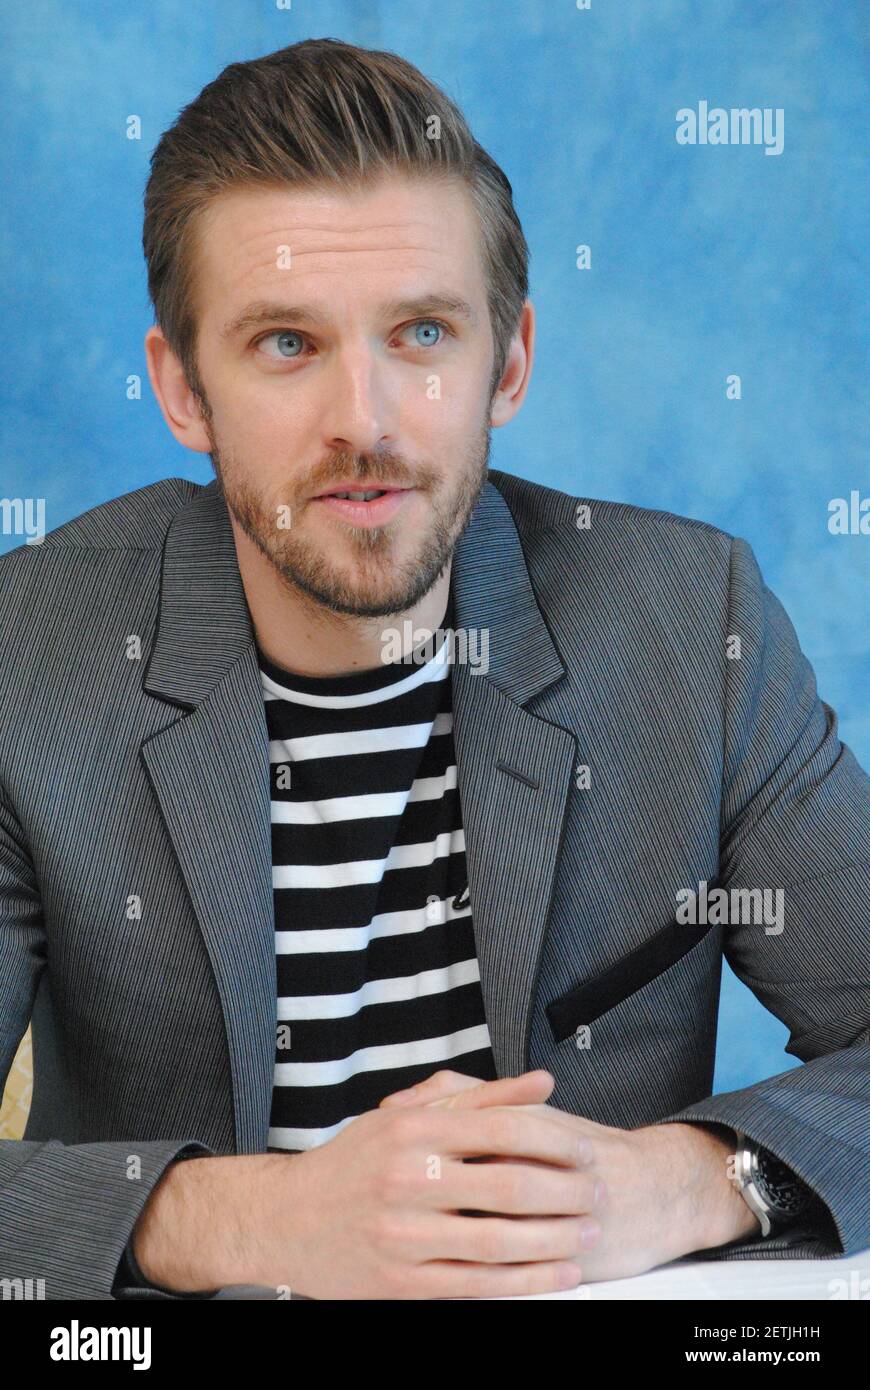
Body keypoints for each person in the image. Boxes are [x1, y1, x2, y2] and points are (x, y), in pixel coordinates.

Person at [1, 38, 867, 1302]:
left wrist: (687, 1178)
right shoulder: (28, 656)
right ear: (182, 389)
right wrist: (256, 1220)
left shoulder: (693, 627)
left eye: (421, 332)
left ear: (506, 364)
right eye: (287, 344)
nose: (369, 417)